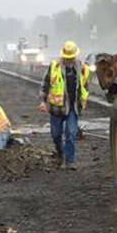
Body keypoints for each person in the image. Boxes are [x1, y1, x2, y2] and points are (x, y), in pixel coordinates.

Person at [37, 41, 89, 169]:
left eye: (71, 58)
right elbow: (46, 83)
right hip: (57, 108)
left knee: (71, 134)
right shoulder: (54, 66)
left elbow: (85, 86)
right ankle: (60, 153)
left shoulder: (81, 68)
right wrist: (43, 101)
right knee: (56, 135)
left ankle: (70, 161)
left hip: (73, 108)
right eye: (67, 58)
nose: (69, 60)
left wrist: (83, 101)